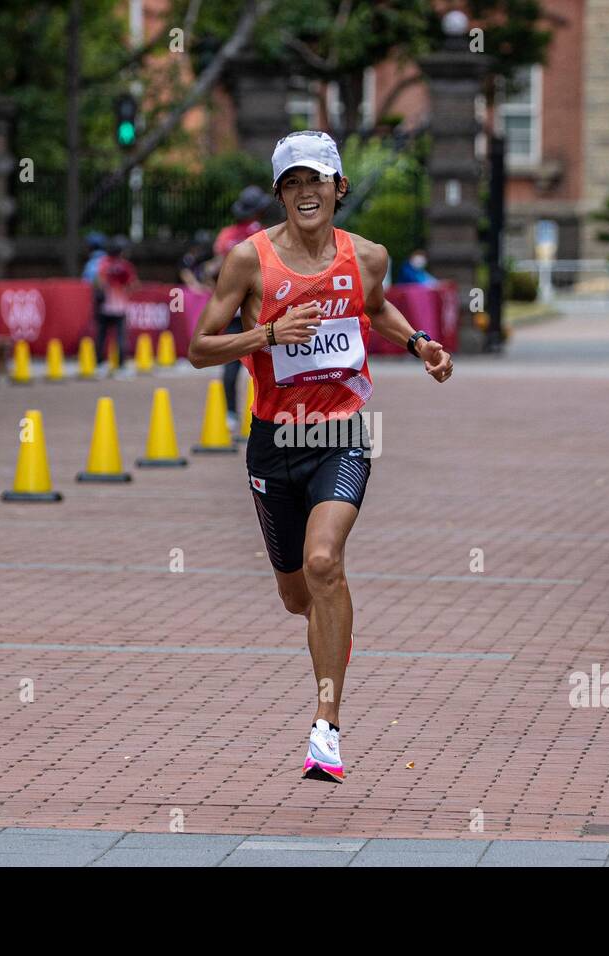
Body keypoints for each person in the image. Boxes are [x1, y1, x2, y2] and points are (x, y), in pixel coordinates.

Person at [187, 130, 453, 784]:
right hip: (274, 439)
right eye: (293, 183)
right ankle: (331, 624)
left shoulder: (367, 257)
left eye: (317, 181)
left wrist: (419, 342)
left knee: (324, 562)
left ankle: (326, 726)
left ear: (339, 187)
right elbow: (199, 347)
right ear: (281, 194)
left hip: (339, 432)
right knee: (296, 594)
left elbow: (377, 308)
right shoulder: (249, 262)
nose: (306, 194)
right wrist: (268, 333)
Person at [213, 186, 273, 430]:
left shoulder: (226, 235)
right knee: (269, 363)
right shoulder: (261, 234)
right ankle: (269, 411)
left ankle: (230, 413)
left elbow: (217, 268)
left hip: (232, 310)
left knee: (231, 363)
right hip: (261, 310)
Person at [95, 235, 137, 369]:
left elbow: (99, 283)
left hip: (104, 307)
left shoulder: (104, 263)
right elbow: (133, 285)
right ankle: (121, 365)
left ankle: (99, 363)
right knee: (120, 337)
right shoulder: (125, 266)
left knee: (101, 336)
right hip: (119, 308)